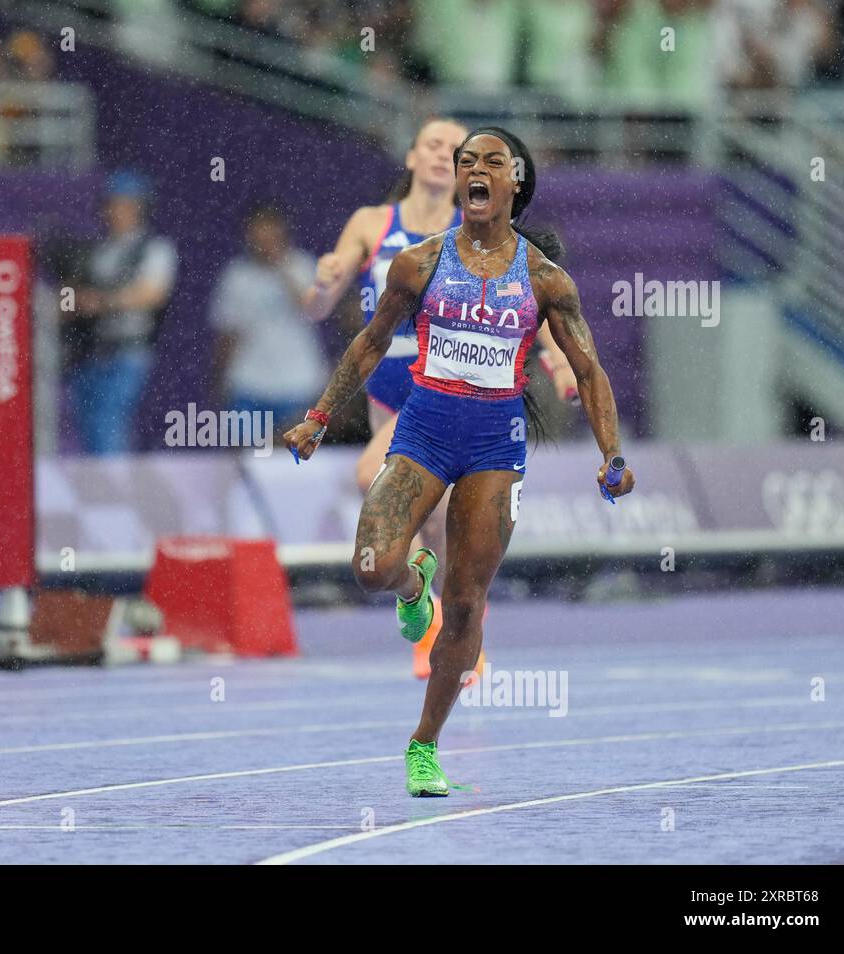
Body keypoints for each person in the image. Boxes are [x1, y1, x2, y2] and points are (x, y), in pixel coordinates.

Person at [284, 127, 634, 796]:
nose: (473, 169)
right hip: (422, 430)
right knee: (370, 568)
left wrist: (612, 455)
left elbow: (587, 371)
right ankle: (413, 585)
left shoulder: (544, 278)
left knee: (469, 605)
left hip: (494, 448)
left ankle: (423, 746)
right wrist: (319, 417)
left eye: (489, 162)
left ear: (513, 184)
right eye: (464, 160)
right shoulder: (417, 262)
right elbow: (368, 344)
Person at [303, 115, 579, 678]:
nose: (440, 156)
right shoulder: (372, 223)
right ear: (410, 157)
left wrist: (554, 357)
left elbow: (531, 301)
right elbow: (316, 308)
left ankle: (453, 630)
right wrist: (324, 281)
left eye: (454, 151)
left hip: (444, 384)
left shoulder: (474, 233)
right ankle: (449, 633)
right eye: (431, 145)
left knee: (369, 477)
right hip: (387, 390)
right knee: (437, 523)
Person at [68, 171, 177, 455]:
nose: (117, 213)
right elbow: (70, 295)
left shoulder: (154, 248)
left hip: (129, 348)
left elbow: (152, 293)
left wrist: (102, 302)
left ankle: (113, 488)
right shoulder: (98, 250)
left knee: (109, 422)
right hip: (90, 350)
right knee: (89, 424)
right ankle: (97, 487)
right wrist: (72, 303)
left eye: (126, 205)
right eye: (114, 205)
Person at [211, 201, 324, 429]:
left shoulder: (302, 266)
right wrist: (219, 379)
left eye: (270, 230)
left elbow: (312, 308)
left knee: (296, 459)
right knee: (245, 459)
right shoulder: (237, 276)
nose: (264, 238)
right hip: (247, 384)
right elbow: (229, 335)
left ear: (282, 232)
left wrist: (280, 267)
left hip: (298, 384)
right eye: (257, 231)